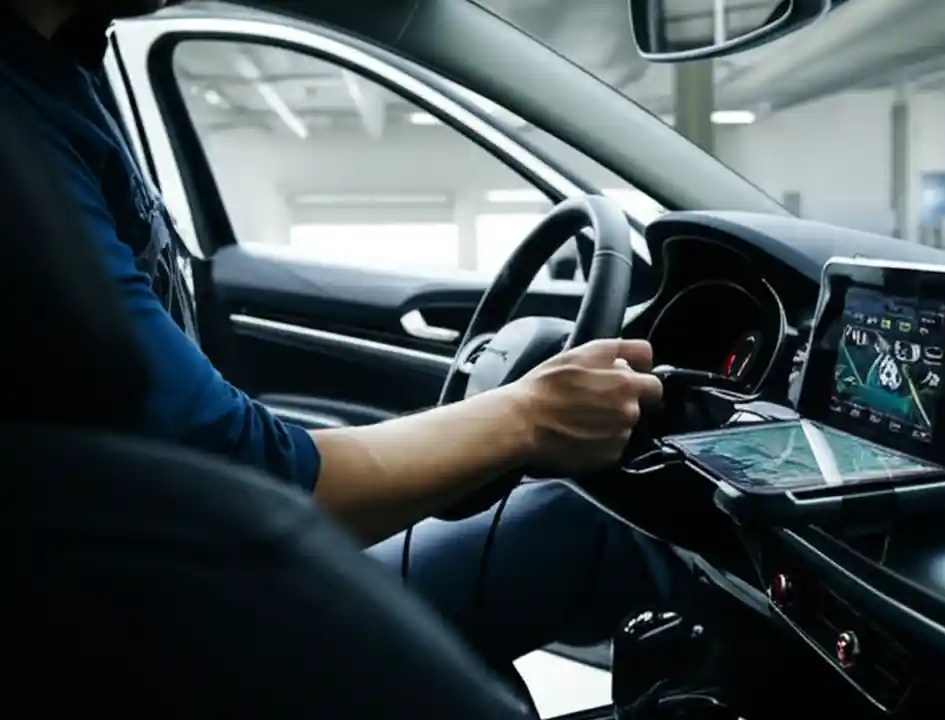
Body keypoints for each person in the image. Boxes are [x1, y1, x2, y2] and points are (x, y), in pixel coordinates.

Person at [0, 0, 692, 667]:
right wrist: (527, 416)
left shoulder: (69, 67)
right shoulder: (18, 125)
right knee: (619, 532)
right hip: (177, 617)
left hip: (180, 574)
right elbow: (240, 472)